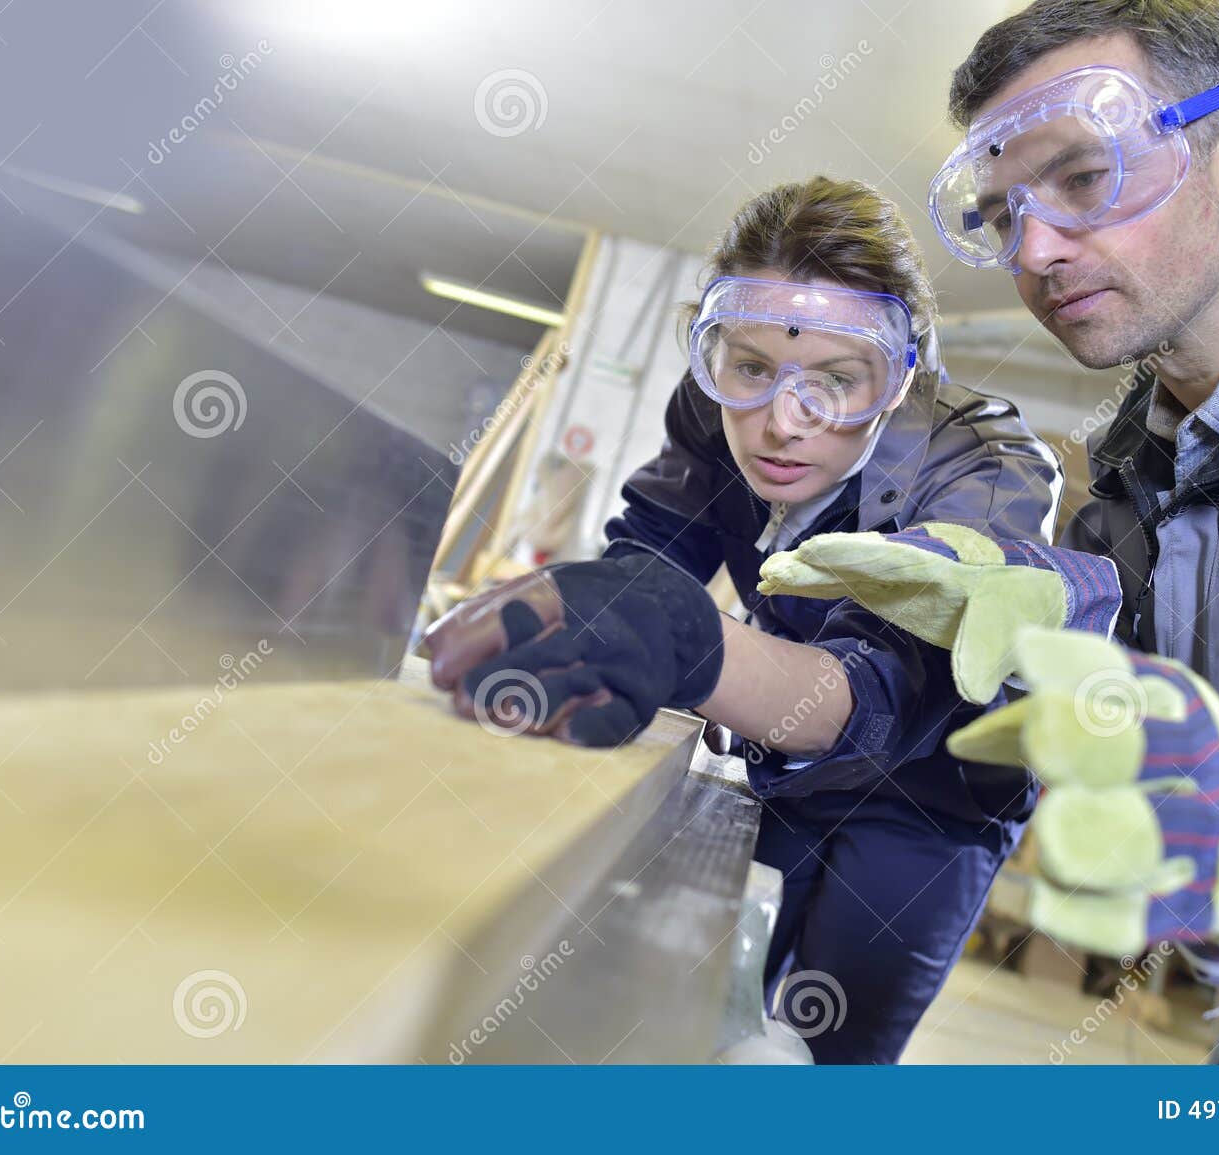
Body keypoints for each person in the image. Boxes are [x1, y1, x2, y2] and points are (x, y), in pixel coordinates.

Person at [777, 0, 1219, 1064]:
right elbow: (1170, 700)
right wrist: (1058, 606)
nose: (1035, 250)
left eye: (1085, 178)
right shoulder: (1140, 457)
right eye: (1003, 215)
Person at [423, 176, 1119, 1063]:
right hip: (787, 757)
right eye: (750, 368)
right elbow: (655, 546)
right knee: (700, 992)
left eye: (837, 381)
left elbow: (884, 693)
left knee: (831, 1046)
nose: (781, 423)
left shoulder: (989, 468)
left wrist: (693, 644)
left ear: (903, 374)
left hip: (935, 799)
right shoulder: (718, 408)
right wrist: (602, 625)